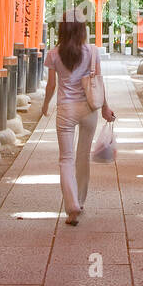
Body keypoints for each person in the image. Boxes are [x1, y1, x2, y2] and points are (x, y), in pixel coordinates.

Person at [42, 16, 116, 225]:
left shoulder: (53, 54)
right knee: (82, 156)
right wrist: (105, 107)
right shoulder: (92, 51)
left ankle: (71, 204)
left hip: (65, 109)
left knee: (66, 159)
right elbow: (98, 83)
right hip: (89, 109)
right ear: (83, 30)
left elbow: (50, 86)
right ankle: (80, 202)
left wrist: (45, 104)